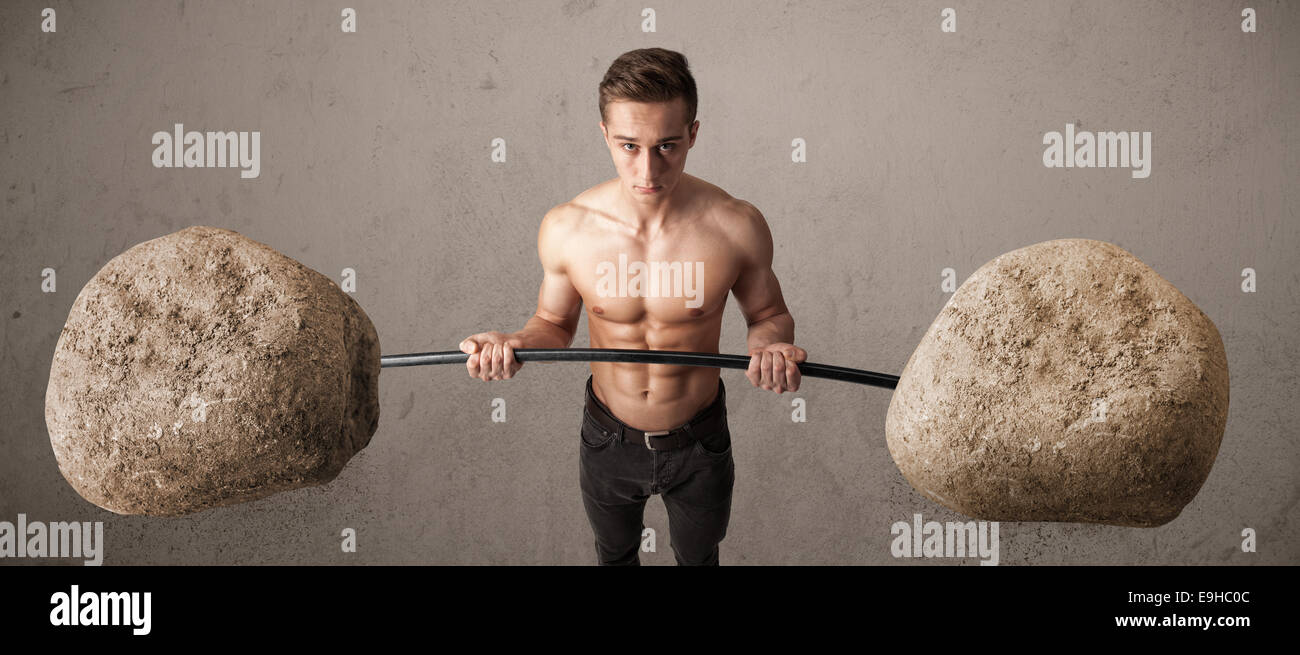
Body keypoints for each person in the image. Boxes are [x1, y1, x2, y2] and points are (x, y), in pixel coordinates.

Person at [459, 47, 805, 565]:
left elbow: (767, 315)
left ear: (693, 133)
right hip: (608, 437)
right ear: (604, 134)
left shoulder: (735, 225)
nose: (647, 169)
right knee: (615, 556)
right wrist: (513, 342)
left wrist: (772, 347)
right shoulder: (568, 228)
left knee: (699, 558)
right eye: (628, 146)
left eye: (667, 145)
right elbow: (553, 324)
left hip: (699, 439)